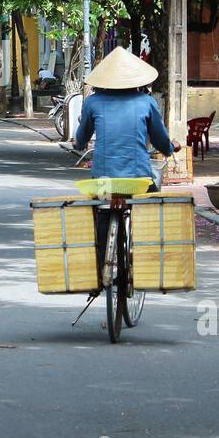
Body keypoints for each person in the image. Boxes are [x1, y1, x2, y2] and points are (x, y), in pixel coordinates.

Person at [72, 47, 180, 276]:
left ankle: (100, 267)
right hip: (138, 179)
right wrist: (170, 149)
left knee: (99, 213)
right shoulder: (146, 102)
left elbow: (81, 138)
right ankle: (145, 259)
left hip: (104, 180)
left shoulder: (92, 103)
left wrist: (78, 145)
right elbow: (160, 139)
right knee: (150, 212)